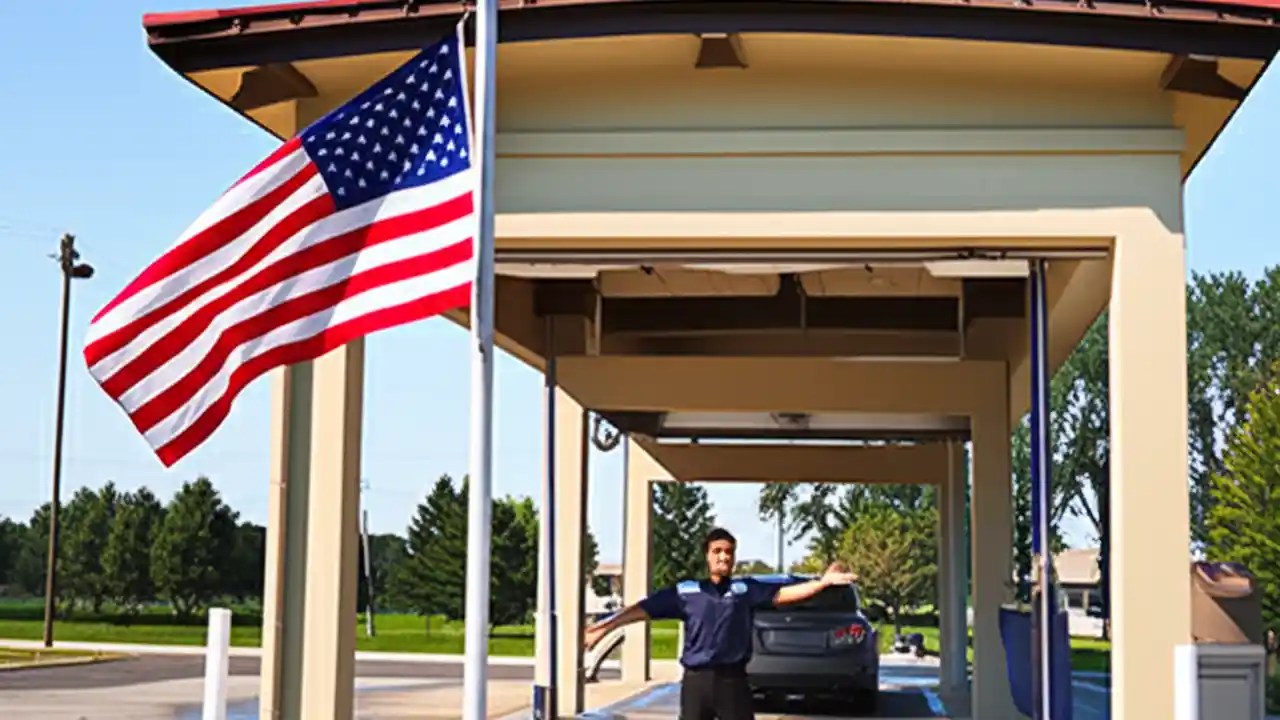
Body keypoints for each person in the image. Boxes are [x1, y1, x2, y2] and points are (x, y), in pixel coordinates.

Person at [583, 527, 858, 720]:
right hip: (696, 682)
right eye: (717, 551)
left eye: (728, 552)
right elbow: (642, 610)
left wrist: (821, 583)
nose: (723, 557)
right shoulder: (686, 592)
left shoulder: (745, 590)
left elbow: (784, 594)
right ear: (707, 555)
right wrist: (604, 627)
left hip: (733, 681)